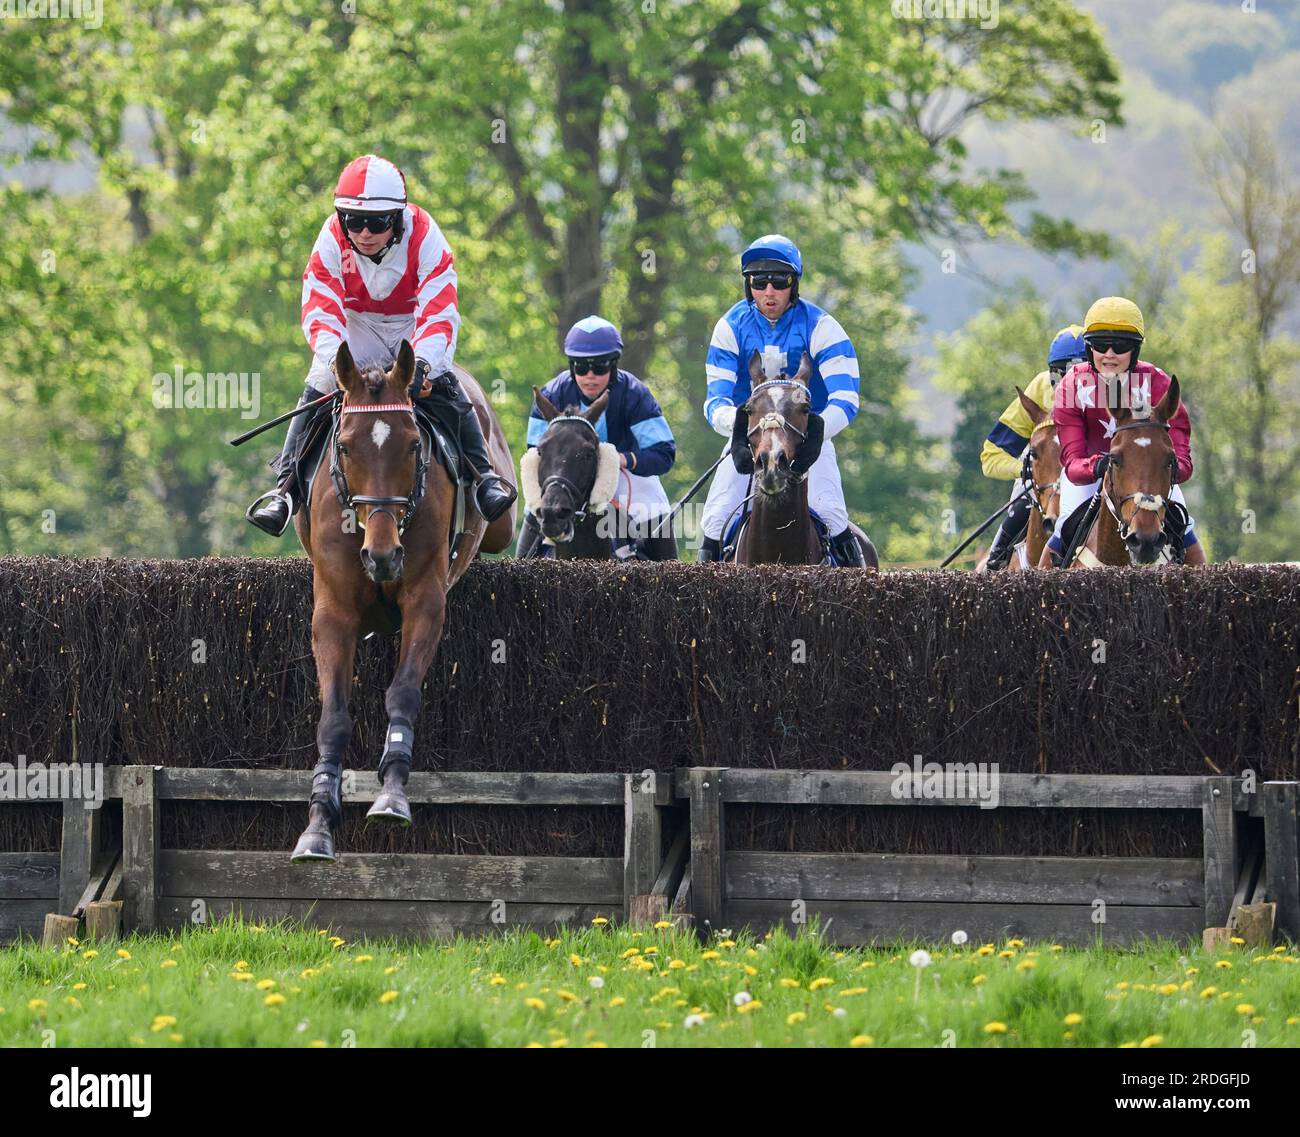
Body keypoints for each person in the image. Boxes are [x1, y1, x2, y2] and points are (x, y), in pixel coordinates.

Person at [247, 153, 515, 536]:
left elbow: (439, 309)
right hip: (355, 327)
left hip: (412, 324)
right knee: (321, 380)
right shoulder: (330, 237)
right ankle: (284, 491)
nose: (364, 234)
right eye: (353, 222)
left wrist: (422, 364)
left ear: (398, 218)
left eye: (376, 223)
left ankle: (485, 478)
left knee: (446, 385)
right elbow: (321, 306)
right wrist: (340, 365)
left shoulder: (425, 233)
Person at [697, 234, 863, 566]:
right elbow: (715, 403)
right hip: (750, 439)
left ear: (793, 284)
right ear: (749, 286)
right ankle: (700, 609)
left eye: (779, 280)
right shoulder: (730, 327)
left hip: (807, 437)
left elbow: (846, 399)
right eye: (759, 281)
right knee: (714, 518)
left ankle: (862, 594)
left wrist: (816, 433)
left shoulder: (822, 326)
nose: (769, 291)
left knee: (832, 513)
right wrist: (741, 430)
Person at [1041, 296, 1204, 566]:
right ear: (1089, 348)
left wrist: (1171, 468)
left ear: (1135, 350)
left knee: (1185, 529)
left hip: (1151, 475)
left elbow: (1182, 458)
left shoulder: (1157, 382)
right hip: (1090, 477)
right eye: (1101, 345)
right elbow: (1072, 463)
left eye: (1121, 346)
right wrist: (1103, 465)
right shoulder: (1071, 385)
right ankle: (1041, 603)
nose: (1110, 353)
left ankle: (1206, 603)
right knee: (1063, 530)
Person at [517, 317, 677, 559]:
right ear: (572, 367)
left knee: (653, 506)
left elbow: (664, 453)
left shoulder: (634, 394)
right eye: (581, 367)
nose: (590, 376)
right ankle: (519, 577)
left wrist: (620, 460)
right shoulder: (552, 393)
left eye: (600, 367)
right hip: (568, 476)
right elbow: (535, 453)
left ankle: (671, 587)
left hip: (623, 476)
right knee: (535, 512)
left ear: (613, 366)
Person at [978, 324, 1085, 571]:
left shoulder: (1111, 391)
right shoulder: (1040, 387)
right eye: (1060, 374)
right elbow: (991, 456)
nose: (1070, 383)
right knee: (1020, 509)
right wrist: (1025, 469)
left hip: (1089, 475)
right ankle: (994, 565)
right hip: (1045, 474)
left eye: (1080, 374)